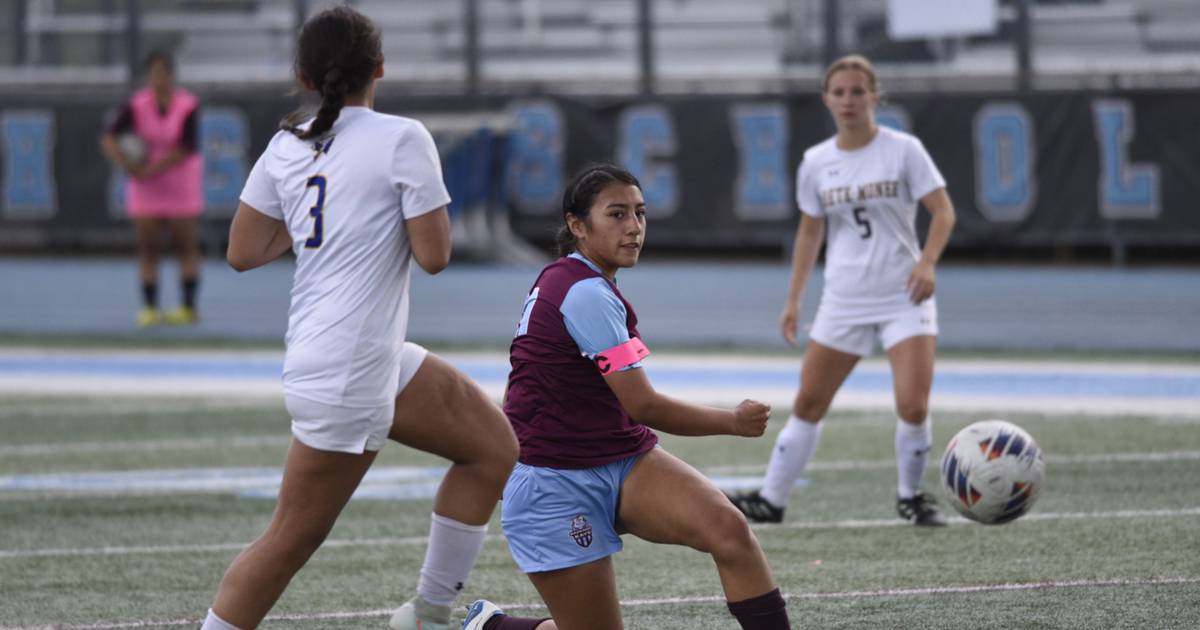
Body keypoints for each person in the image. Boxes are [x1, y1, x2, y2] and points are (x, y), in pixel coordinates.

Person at [198, 7, 518, 630]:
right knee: (288, 540)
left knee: (492, 447)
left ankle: (426, 613)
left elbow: (242, 252)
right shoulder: (403, 137)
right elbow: (434, 256)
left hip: (349, 349)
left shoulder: (287, 142)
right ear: (379, 67)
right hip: (349, 371)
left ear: (306, 74)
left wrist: (334, 222)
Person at [455, 164, 791, 630]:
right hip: (555, 482)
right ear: (577, 225)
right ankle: (492, 627)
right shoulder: (585, 292)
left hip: (621, 457)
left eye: (639, 212)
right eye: (616, 214)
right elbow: (644, 405)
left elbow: (530, 380)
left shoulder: (574, 280)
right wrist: (732, 422)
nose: (634, 227)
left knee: (730, 532)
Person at [727, 54, 958, 527]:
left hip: (903, 295)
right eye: (840, 92)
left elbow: (944, 212)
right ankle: (771, 500)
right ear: (826, 100)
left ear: (875, 96)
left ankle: (911, 496)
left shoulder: (903, 150)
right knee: (810, 402)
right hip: (844, 297)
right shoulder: (816, 162)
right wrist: (794, 299)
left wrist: (928, 263)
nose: (849, 100)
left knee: (912, 404)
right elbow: (811, 233)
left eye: (858, 91)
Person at [100, 49, 204, 327]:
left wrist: (152, 168)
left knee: (185, 245)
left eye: (163, 72)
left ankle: (187, 306)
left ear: (171, 75)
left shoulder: (187, 105)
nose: (158, 78)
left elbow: (187, 147)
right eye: (153, 72)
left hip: (180, 183)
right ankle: (149, 307)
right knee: (148, 247)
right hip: (146, 186)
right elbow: (110, 138)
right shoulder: (136, 105)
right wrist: (127, 164)